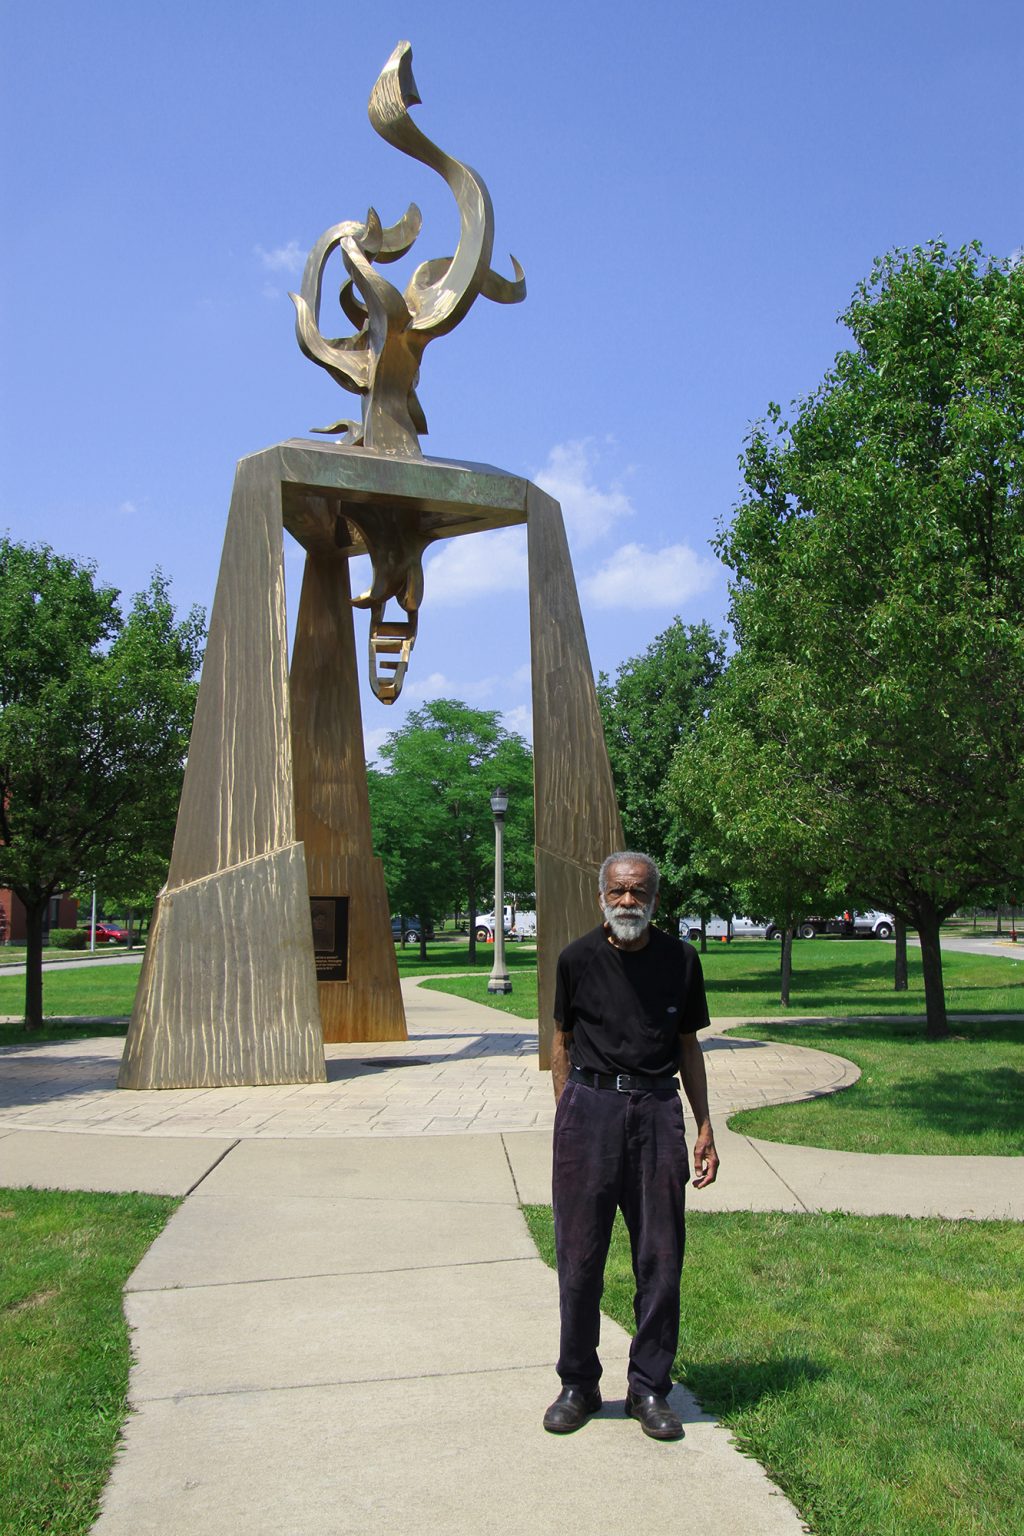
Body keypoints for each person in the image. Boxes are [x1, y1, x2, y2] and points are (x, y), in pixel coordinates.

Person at [543, 850, 720, 1440]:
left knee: (661, 1260)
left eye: (638, 893)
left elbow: (688, 1045)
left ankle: (649, 1388)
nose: (627, 903)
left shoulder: (680, 960)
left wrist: (703, 1124)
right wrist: (569, 1109)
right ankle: (578, 1384)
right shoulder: (576, 959)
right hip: (588, 1115)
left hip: (656, 1114)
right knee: (579, 1259)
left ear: (655, 900)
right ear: (601, 896)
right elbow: (561, 1041)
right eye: (618, 892)